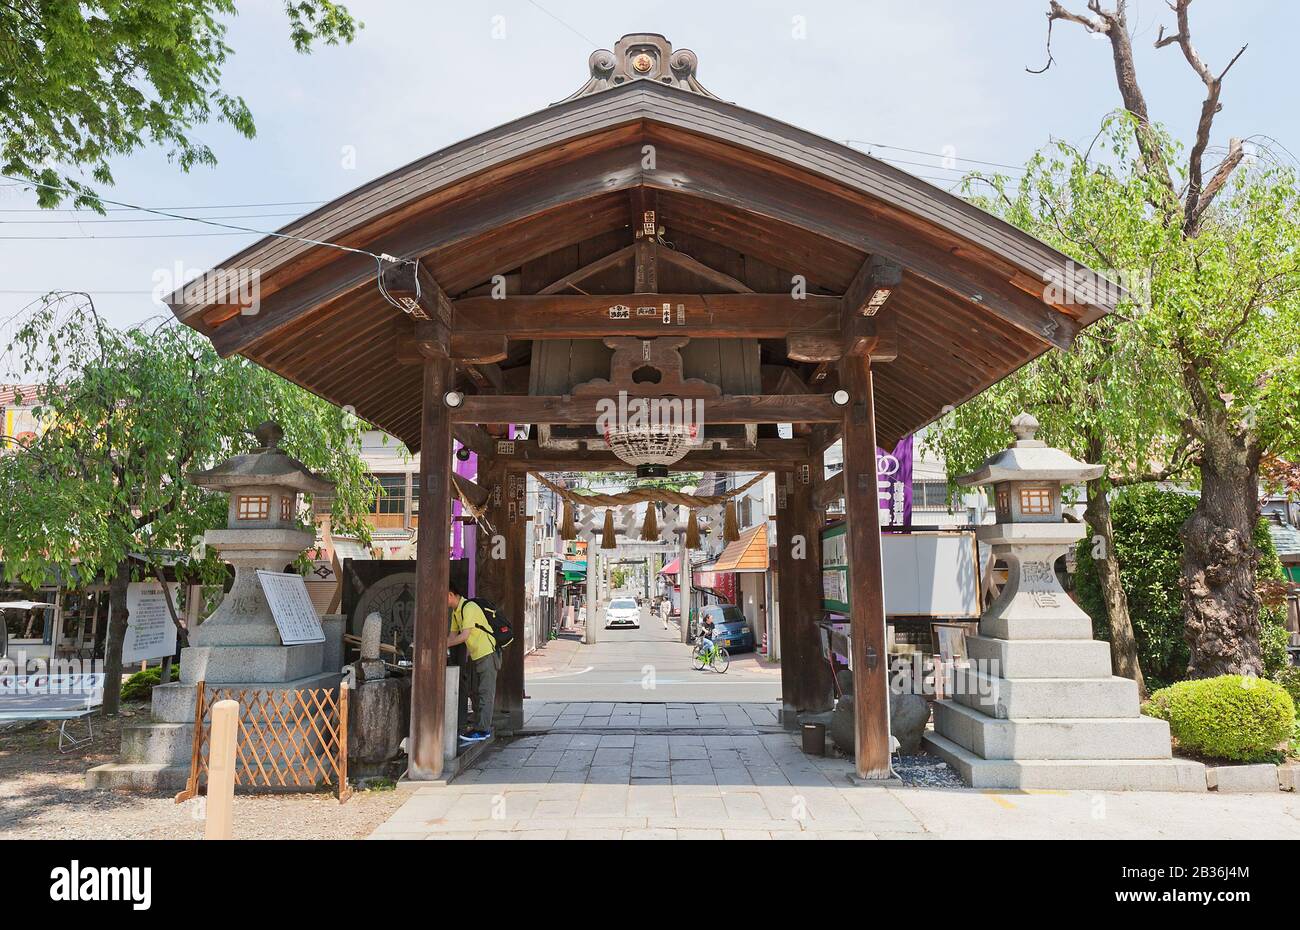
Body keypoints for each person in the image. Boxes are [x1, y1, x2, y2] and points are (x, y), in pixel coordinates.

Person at [447, 582, 500, 743]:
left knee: (485, 693)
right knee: (475, 691)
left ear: (450, 594)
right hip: (476, 656)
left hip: (488, 654)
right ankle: (478, 727)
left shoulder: (469, 608)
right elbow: (451, 636)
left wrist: (441, 645)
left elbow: (463, 636)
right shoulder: (456, 612)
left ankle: (483, 730)